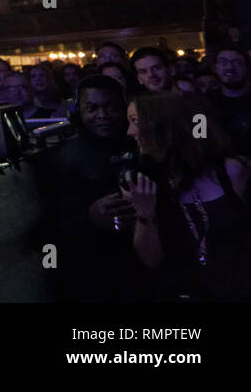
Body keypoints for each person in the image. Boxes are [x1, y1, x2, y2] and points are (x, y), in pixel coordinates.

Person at [120, 93, 251, 300]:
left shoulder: (232, 171)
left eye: (135, 121)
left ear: (165, 123)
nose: (130, 131)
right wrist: (144, 213)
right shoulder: (150, 183)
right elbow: (151, 260)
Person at [37, 75, 145, 301]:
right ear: (79, 111)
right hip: (95, 271)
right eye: (92, 108)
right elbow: (48, 228)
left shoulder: (143, 144)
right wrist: (90, 217)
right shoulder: (64, 158)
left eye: (110, 107)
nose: (102, 115)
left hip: (145, 263)